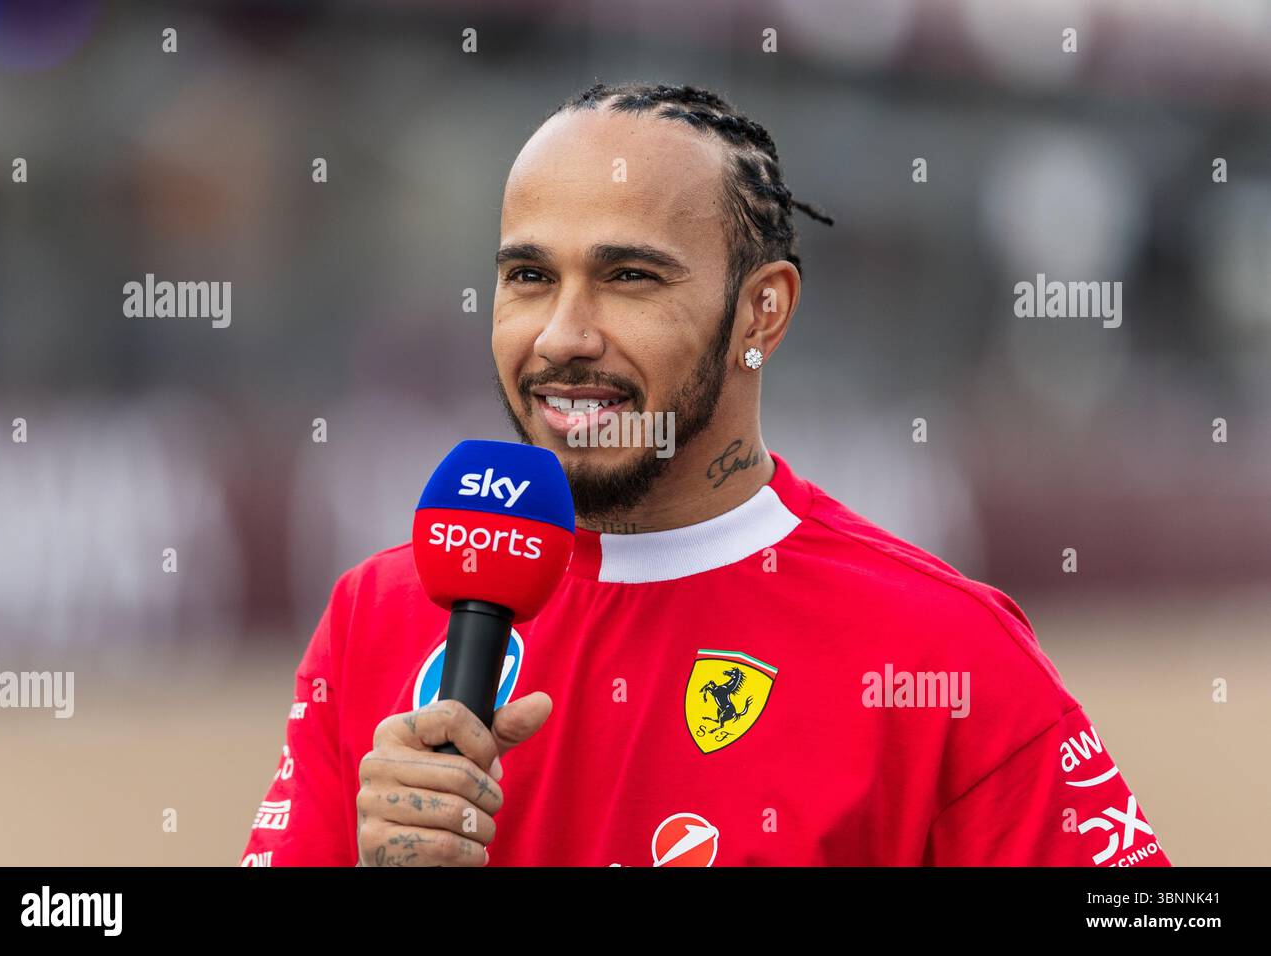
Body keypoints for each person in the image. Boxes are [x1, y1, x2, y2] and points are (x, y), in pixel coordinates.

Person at [240, 82, 1168, 867]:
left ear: (762, 313)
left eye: (630, 277)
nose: (563, 335)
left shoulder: (944, 655)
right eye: (529, 276)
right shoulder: (378, 617)